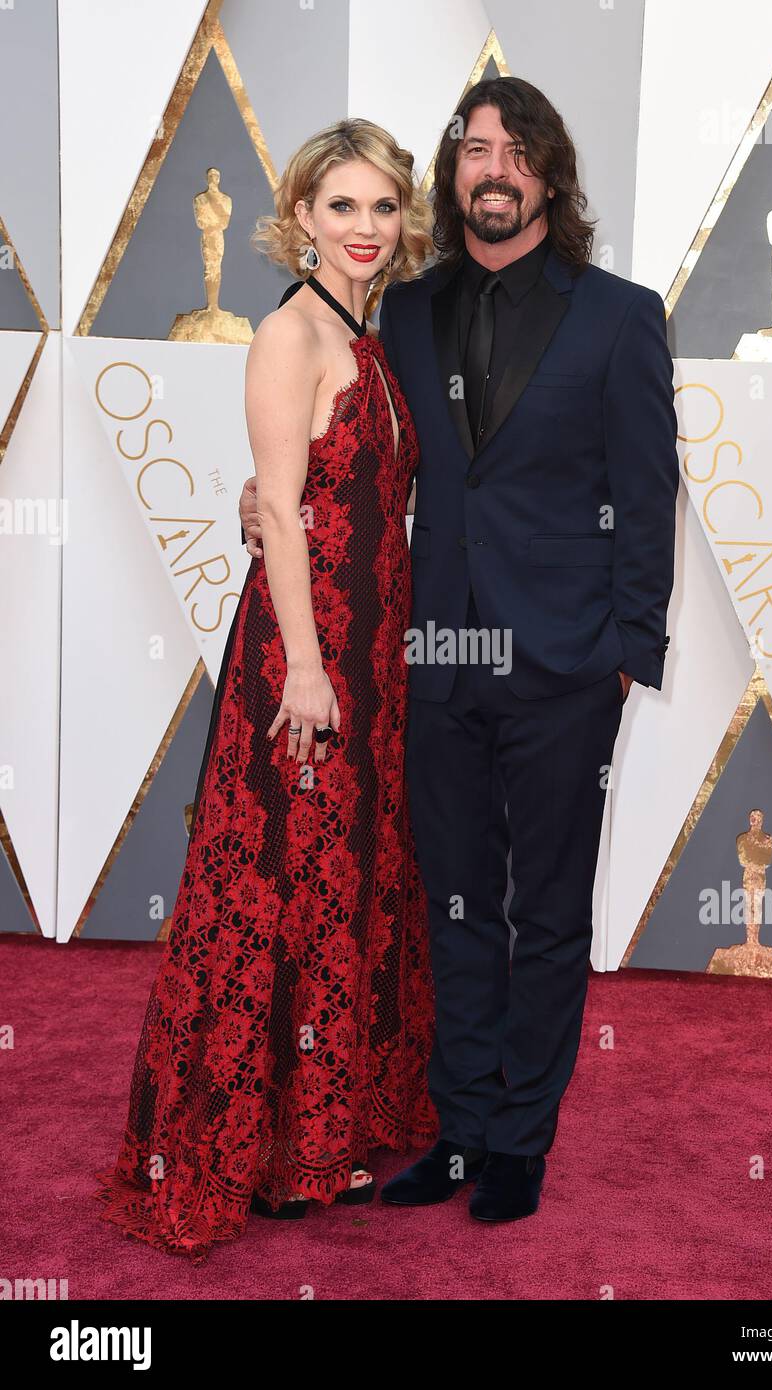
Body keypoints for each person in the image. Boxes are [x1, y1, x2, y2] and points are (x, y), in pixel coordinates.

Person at [241, 77, 679, 1224]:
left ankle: (520, 1139)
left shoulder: (621, 314)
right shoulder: (407, 311)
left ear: (548, 172)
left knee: (547, 909)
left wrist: (627, 651)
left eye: (514, 150)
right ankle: (458, 1126)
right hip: (427, 654)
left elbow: (646, 495)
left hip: (565, 663)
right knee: (448, 902)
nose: (493, 168)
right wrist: (265, 493)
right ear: (455, 174)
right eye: (473, 150)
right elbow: (358, 455)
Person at [94, 119, 437, 1264]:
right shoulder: (291, 334)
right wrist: (300, 659)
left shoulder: (367, 333)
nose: (365, 228)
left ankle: (324, 1134)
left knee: (344, 876)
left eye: (383, 207)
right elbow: (284, 513)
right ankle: (265, 1151)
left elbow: (320, 492)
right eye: (342, 207)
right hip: (311, 654)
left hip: (371, 654)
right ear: (299, 217)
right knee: (284, 879)